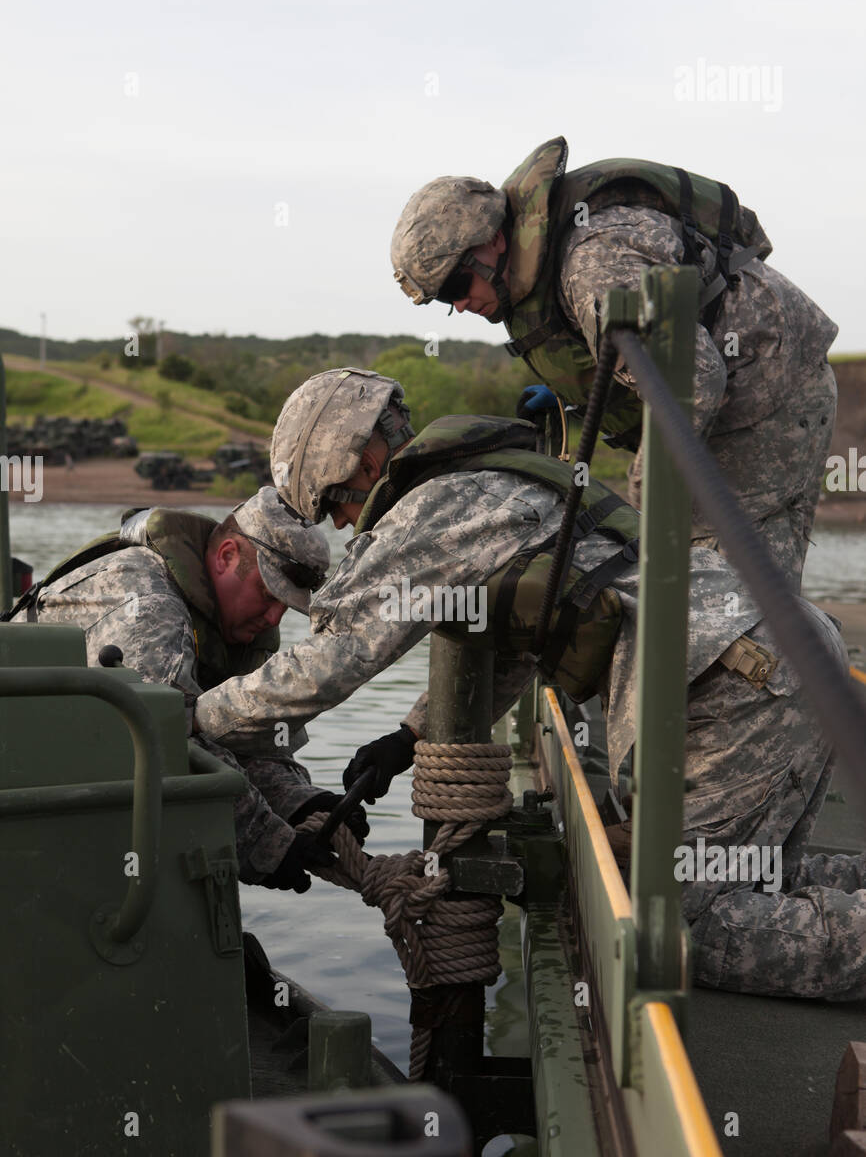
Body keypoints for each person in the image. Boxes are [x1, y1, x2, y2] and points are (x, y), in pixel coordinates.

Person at [192, 368, 866, 1001]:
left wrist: (196, 718)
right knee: (755, 874)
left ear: (362, 463)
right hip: (780, 650)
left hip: (741, 679)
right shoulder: (493, 480)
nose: (341, 525)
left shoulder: (426, 512)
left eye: (334, 506)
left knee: (688, 930)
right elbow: (527, 636)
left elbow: (332, 660)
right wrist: (410, 735)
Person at [390, 136, 839, 587]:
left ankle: (790, 653)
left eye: (456, 286)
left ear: (492, 242)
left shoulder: (593, 268)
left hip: (768, 388)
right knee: (722, 593)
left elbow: (693, 380)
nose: (461, 305)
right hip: (744, 388)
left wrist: (645, 492)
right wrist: (578, 396)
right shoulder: (550, 266)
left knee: (726, 596)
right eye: (443, 301)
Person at [8, 486, 363, 892]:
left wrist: (303, 804)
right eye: (268, 595)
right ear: (227, 556)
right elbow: (165, 740)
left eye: (286, 606)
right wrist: (271, 845)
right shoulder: (147, 604)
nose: (274, 617)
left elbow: (245, 737)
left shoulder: (236, 626)